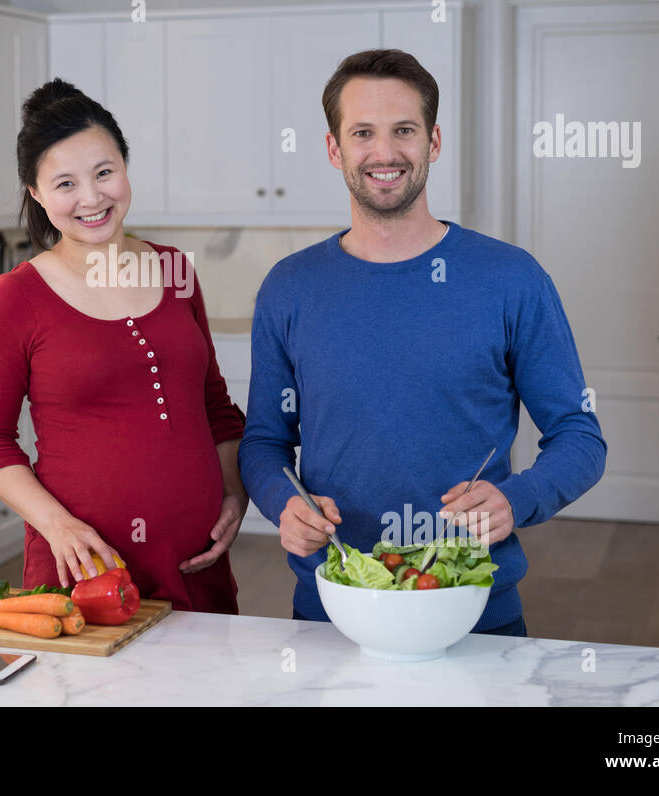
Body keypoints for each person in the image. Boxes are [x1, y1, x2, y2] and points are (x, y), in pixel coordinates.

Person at [238, 48, 607, 635]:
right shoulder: (289, 288)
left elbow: (579, 436)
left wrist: (519, 497)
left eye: (403, 130)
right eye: (363, 132)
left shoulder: (510, 279)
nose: (384, 153)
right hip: (333, 605)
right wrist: (285, 506)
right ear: (335, 149)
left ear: (433, 141)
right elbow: (263, 443)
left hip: (473, 608)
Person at [0, 78, 247, 613]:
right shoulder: (16, 298)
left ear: (125, 169)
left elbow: (216, 408)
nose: (92, 198)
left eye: (104, 173)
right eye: (65, 183)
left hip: (197, 563)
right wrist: (57, 525)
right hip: (85, 570)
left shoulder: (174, 271)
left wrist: (234, 492)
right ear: (37, 194)